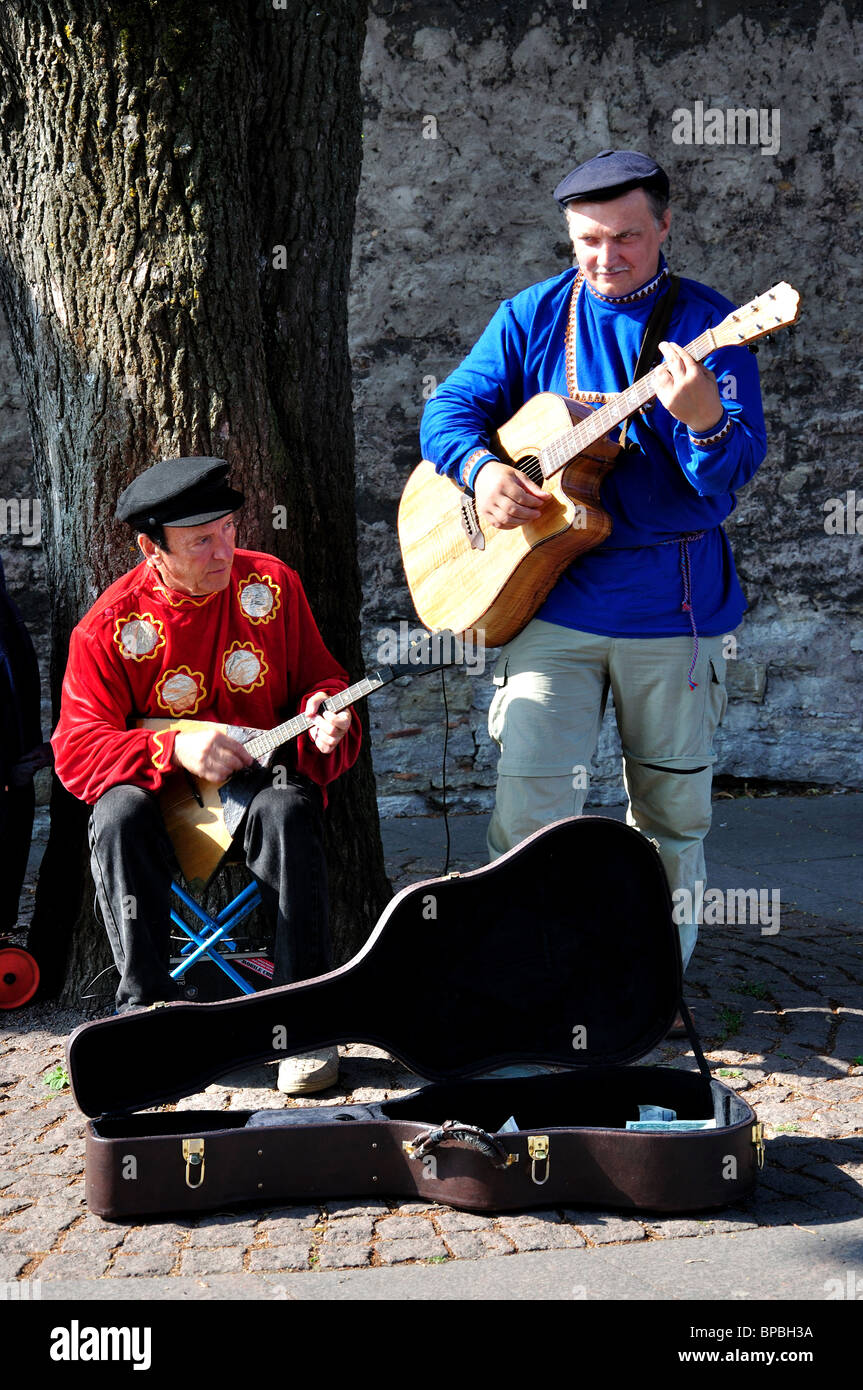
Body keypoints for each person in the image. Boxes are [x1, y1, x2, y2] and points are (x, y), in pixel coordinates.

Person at [419, 149, 767, 983]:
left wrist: (705, 420)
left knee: (671, 817)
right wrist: (481, 469)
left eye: (626, 238)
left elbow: (728, 480)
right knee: (529, 812)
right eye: (587, 240)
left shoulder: (714, 327)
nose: (606, 258)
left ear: (664, 227)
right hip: (552, 607)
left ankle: (652, 986)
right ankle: (526, 982)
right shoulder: (534, 314)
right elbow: (447, 409)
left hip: (672, 615)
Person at [52, 457, 360, 1093]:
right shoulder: (107, 626)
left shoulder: (272, 585)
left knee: (289, 809)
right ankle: (148, 1014)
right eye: (200, 541)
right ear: (150, 548)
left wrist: (328, 714)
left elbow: (322, 680)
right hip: (158, 796)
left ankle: (303, 1024)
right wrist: (173, 751)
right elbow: (77, 750)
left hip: (255, 783)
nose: (225, 552)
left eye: (229, 530)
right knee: (116, 813)